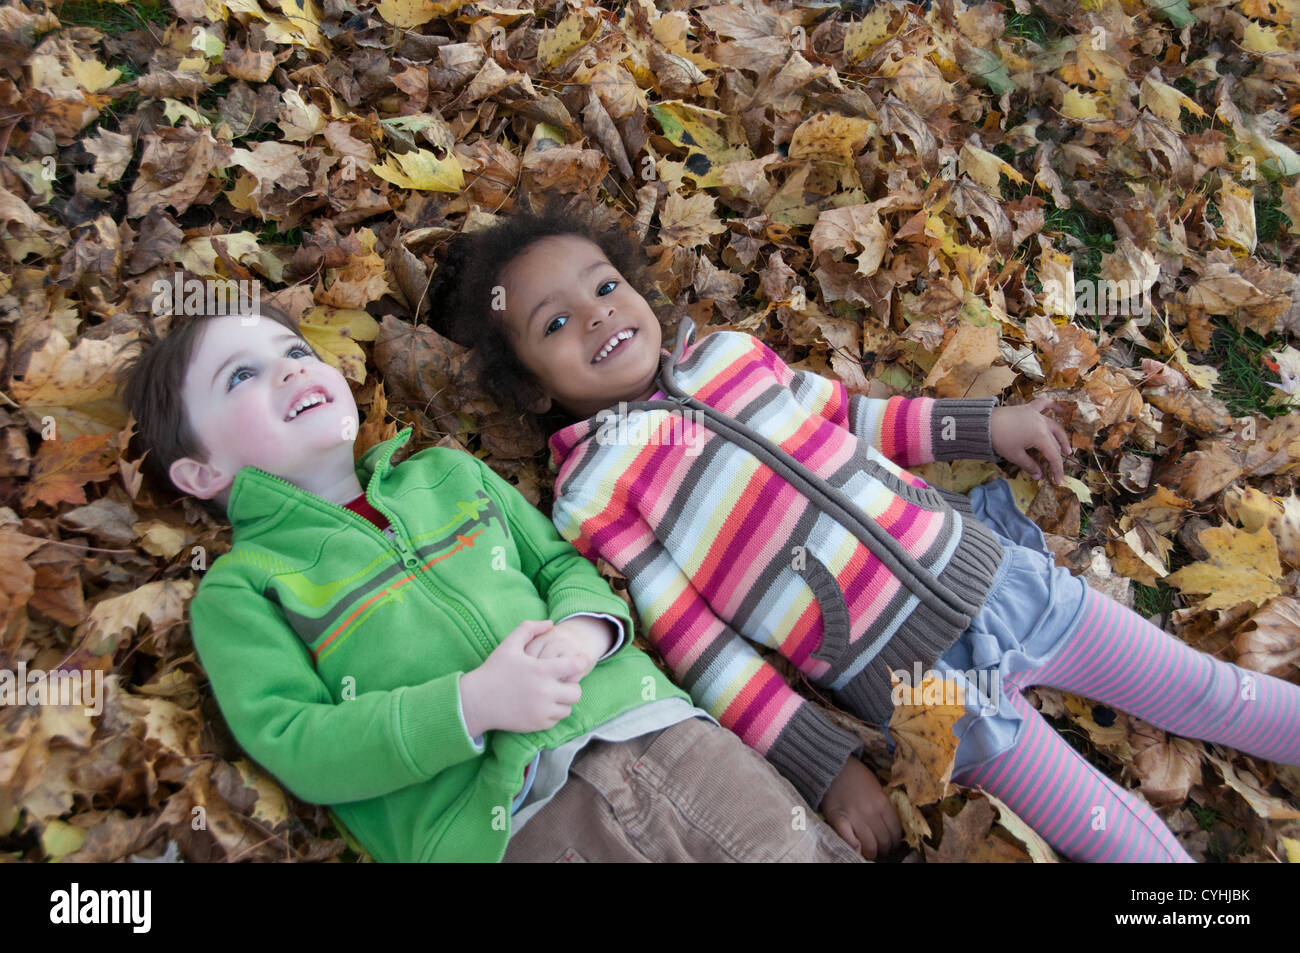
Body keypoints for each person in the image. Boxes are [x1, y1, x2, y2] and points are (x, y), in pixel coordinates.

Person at [430, 203, 1300, 862]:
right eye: (554, 322)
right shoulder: (596, 492)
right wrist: (824, 763)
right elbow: (697, 644)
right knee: (1105, 830)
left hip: (996, 579)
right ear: (532, 387)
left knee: (1211, 692)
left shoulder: (731, 357)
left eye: (605, 286)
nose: (595, 316)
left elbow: (854, 416)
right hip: (918, 693)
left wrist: (980, 427)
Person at [117, 302, 865, 863]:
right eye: (241, 375)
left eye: (294, 349)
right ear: (203, 472)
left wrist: (584, 628)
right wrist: (468, 706)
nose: (289, 368)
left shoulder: (449, 475)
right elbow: (300, 742)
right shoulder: (242, 590)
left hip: (658, 733)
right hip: (510, 827)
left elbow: (563, 562)